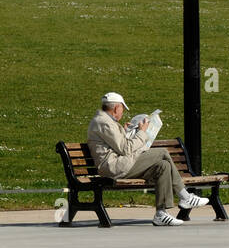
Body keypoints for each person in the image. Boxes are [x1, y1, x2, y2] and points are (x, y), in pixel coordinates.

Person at [87, 91, 211, 226]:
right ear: (116, 108)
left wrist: (125, 131)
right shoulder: (105, 123)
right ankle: (185, 196)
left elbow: (118, 145)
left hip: (119, 164)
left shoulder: (105, 121)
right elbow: (125, 149)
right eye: (122, 109)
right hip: (114, 167)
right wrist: (142, 132)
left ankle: (161, 214)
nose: (122, 113)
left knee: (163, 166)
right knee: (162, 152)